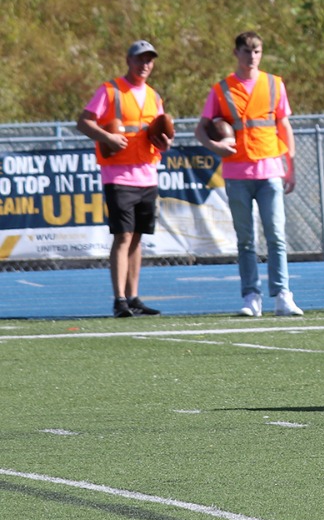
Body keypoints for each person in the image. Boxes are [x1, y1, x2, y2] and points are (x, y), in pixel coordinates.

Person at [196, 31, 303, 317]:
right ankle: (251, 296)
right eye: (246, 51)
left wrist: (290, 168)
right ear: (236, 53)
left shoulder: (274, 84)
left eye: (257, 51)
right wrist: (215, 145)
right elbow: (201, 128)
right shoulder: (222, 89)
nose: (252, 57)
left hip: (270, 170)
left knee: (276, 235)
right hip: (237, 172)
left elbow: (284, 126)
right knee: (245, 239)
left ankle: (282, 295)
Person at [76, 40, 173, 318]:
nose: (145, 65)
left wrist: (164, 143)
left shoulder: (153, 96)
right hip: (118, 175)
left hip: (147, 174)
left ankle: (133, 297)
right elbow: (83, 122)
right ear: (128, 61)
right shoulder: (110, 90)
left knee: (137, 237)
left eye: (149, 60)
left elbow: (156, 134)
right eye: (140, 59)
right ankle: (119, 300)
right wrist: (107, 137)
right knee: (123, 236)